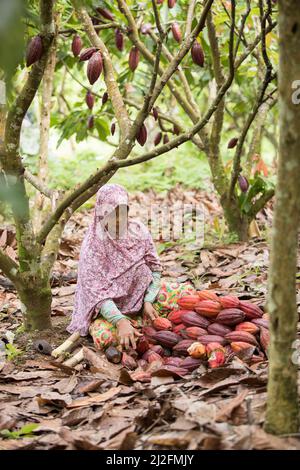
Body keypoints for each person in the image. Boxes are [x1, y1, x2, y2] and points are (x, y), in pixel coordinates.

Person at [67, 184, 194, 350]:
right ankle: (136, 326)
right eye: (112, 214)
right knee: (106, 337)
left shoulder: (138, 231)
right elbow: (98, 294)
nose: (119, 220)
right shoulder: (93, 245)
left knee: (187, 295)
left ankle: (145, 322)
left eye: (123, 213)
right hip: (110, 312)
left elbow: (155, 268)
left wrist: (148, 299)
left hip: (144, 299)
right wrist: (120, 321)